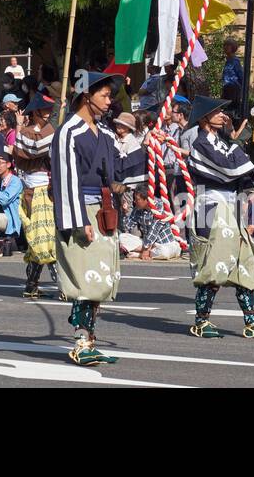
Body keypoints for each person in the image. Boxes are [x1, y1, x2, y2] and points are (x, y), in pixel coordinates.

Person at [184, 96, 254, 339]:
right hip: (211, 207)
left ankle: (252, 321)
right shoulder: (200, 144)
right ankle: (201, 320)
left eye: (222, 111)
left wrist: (231, 139)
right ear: (204, 117)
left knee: (245, 262)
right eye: (216, 112)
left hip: (232, 206)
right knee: (214, 266)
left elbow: (243, 171)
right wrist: (235, 142)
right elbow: (230, 170)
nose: (222, 115)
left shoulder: (221, 141)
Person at [51, 71, 125, 365]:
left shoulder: (105, 132)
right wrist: (78, 220)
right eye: (104, 96)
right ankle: (82, 341)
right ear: (86, 96)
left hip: (103, 209)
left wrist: (148, 149)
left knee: (100, 278)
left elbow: (117, 170)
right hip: (80, 209)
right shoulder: (68, 131)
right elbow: (65, 179)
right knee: (86, 278)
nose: (109, 102)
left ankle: (89, 339)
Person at [118, 184, 179, 260]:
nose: (134, 201)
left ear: (146, 199)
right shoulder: (138, 209)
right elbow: (127, 227)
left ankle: (139, 254)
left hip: (165, 244)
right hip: (147, 243)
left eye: (137, 199)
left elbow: (155, 229)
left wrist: (146, 249)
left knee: (165, 252)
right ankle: (146, 252)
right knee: (122, 237)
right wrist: (125, 212)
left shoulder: (160, 205)